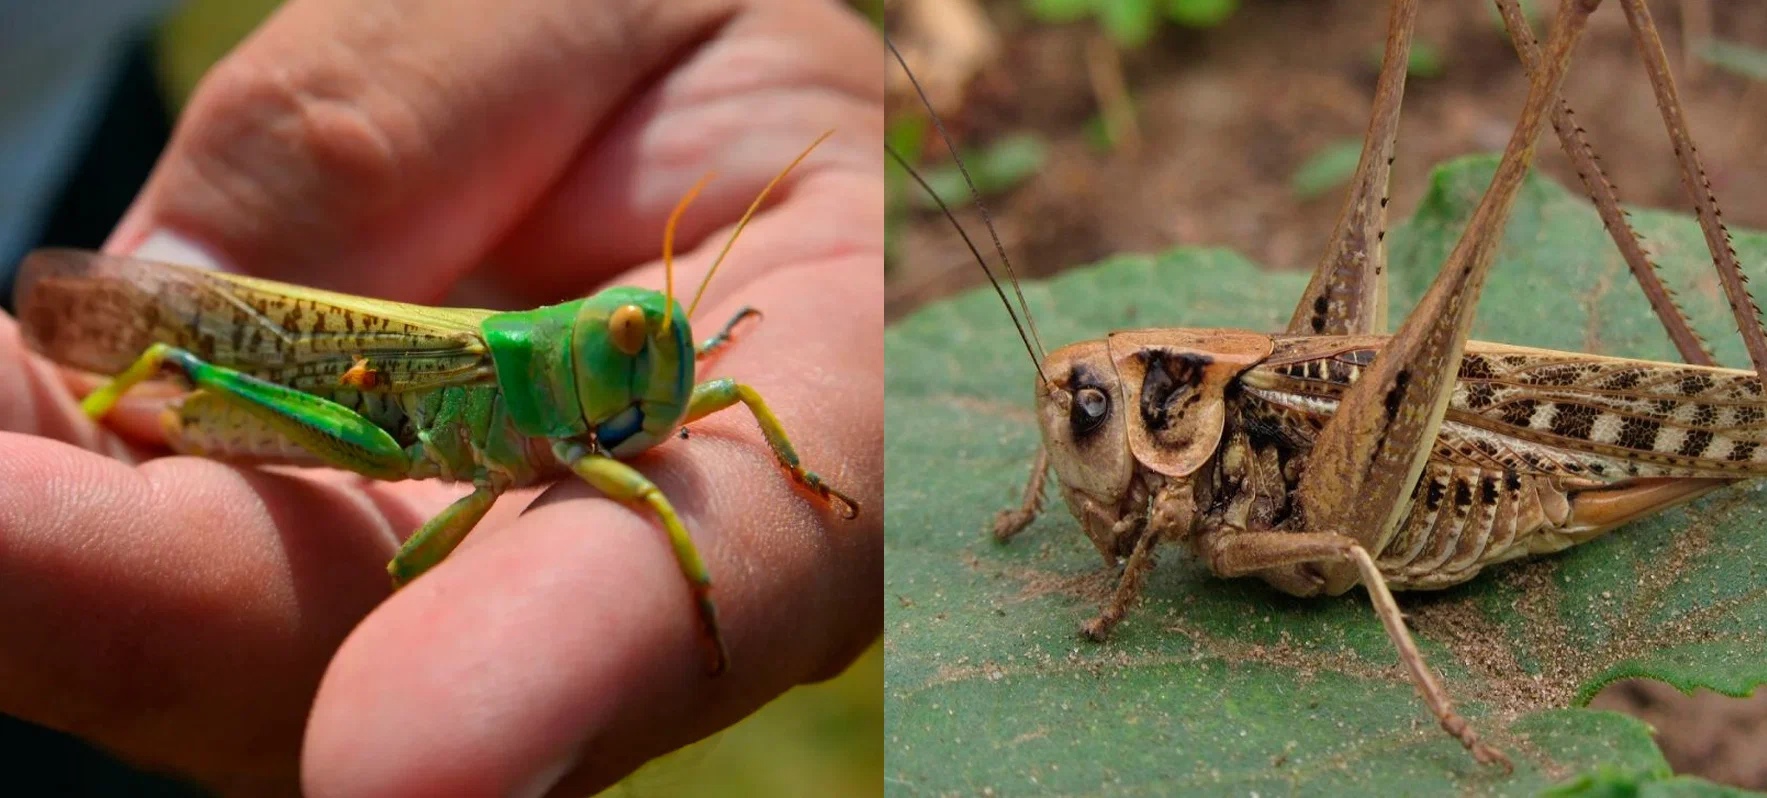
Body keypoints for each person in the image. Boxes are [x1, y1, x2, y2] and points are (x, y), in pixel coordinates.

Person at [0, 0, 884, 795]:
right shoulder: (521, 383)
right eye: (627, 340)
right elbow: (646, 499)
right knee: (178, 358)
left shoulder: (600, 400)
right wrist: (701, 592)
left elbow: (731, 398)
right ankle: (87, 413)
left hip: (86, 111)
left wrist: (794, 470)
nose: (655, 357)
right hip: (362, 427)